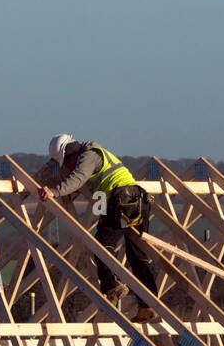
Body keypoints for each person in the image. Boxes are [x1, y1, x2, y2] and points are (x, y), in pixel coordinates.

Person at [36, 133, 159, 321]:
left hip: (123, 198)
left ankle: (112, 286)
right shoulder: (97, 160)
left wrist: (54, 191)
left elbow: (77, 179)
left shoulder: (89, 157)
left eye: (66, 162)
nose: (67, 167)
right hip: (137, 200)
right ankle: (148, 305)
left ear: (70, 154)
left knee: (102, 245)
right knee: (137, 255)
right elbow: (100, 193)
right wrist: (103, 217)